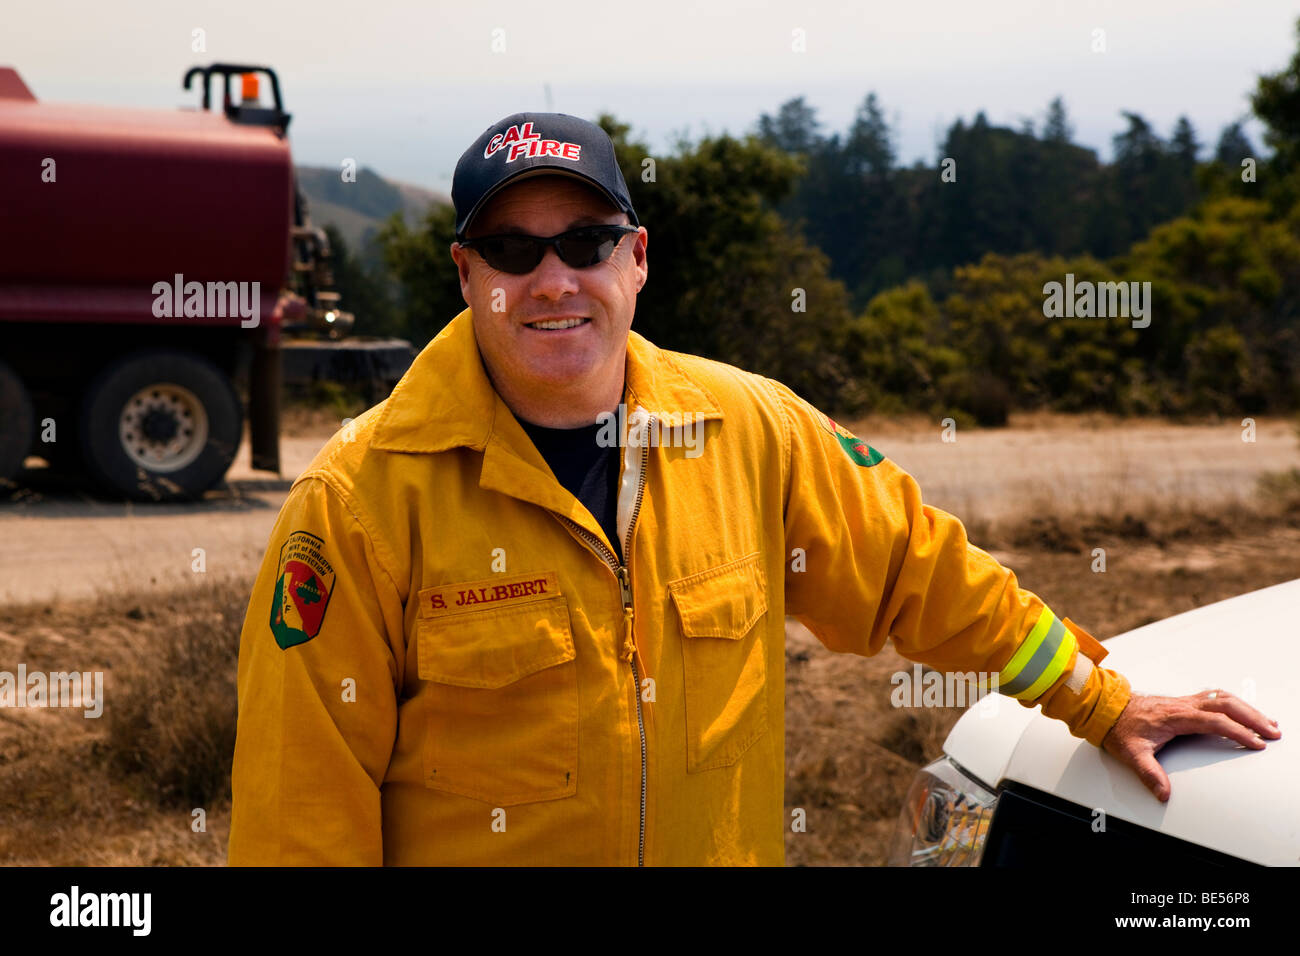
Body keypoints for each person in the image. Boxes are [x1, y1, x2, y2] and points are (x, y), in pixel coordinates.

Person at [227, 112, 1281, 866]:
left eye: (586, 243)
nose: (552, 278)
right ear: (464, 275)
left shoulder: (754, 428)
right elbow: (298, 812)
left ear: (636, 259)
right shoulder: (357, 502)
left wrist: (1098, 699)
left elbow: (925, 570)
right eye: (511, 249)